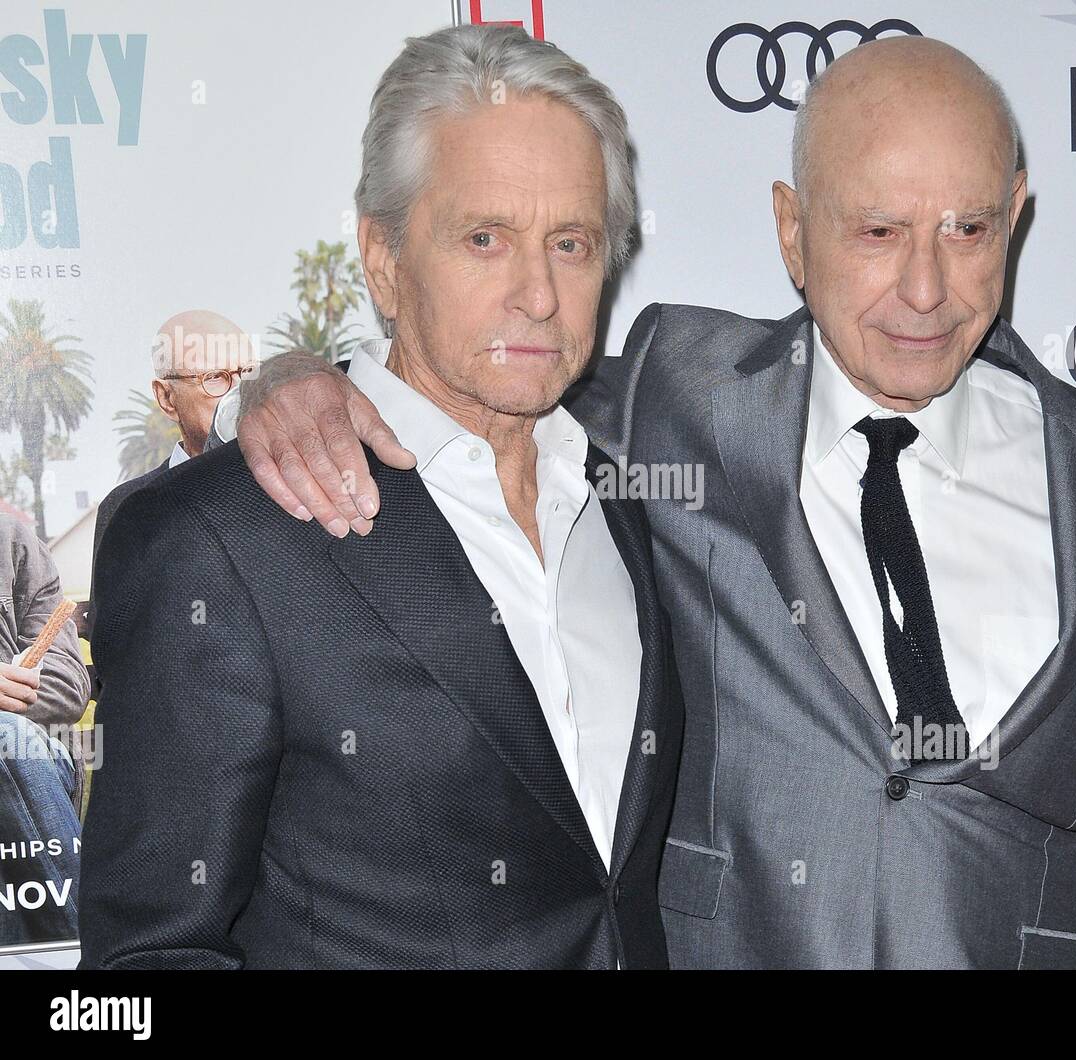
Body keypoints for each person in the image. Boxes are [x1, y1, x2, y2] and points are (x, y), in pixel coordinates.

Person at [224, 36, 1076, 969]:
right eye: (877, 231)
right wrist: (280, 386)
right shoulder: (678, 395)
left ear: (1016, 210)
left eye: (968, 229)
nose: (926, 290)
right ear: (792, 230)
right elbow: (464, 377)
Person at [78, 25, 682, 969]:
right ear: (384, 258)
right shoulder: (220, 537)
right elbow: (146, 963)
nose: (538, 293)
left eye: (572, 242)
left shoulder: (637, 487)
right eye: (485, 238)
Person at [88, 310, 254, 641]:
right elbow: (115, 649)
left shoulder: (299, 492)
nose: (240, 393)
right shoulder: (128, 509)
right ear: (167, 398)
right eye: (215, 377)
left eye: (249, 373)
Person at [0, 512, 91, 947]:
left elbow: (67, 683)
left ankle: (77, 949)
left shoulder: (11, 542)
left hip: (23, 754)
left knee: (5, 736)